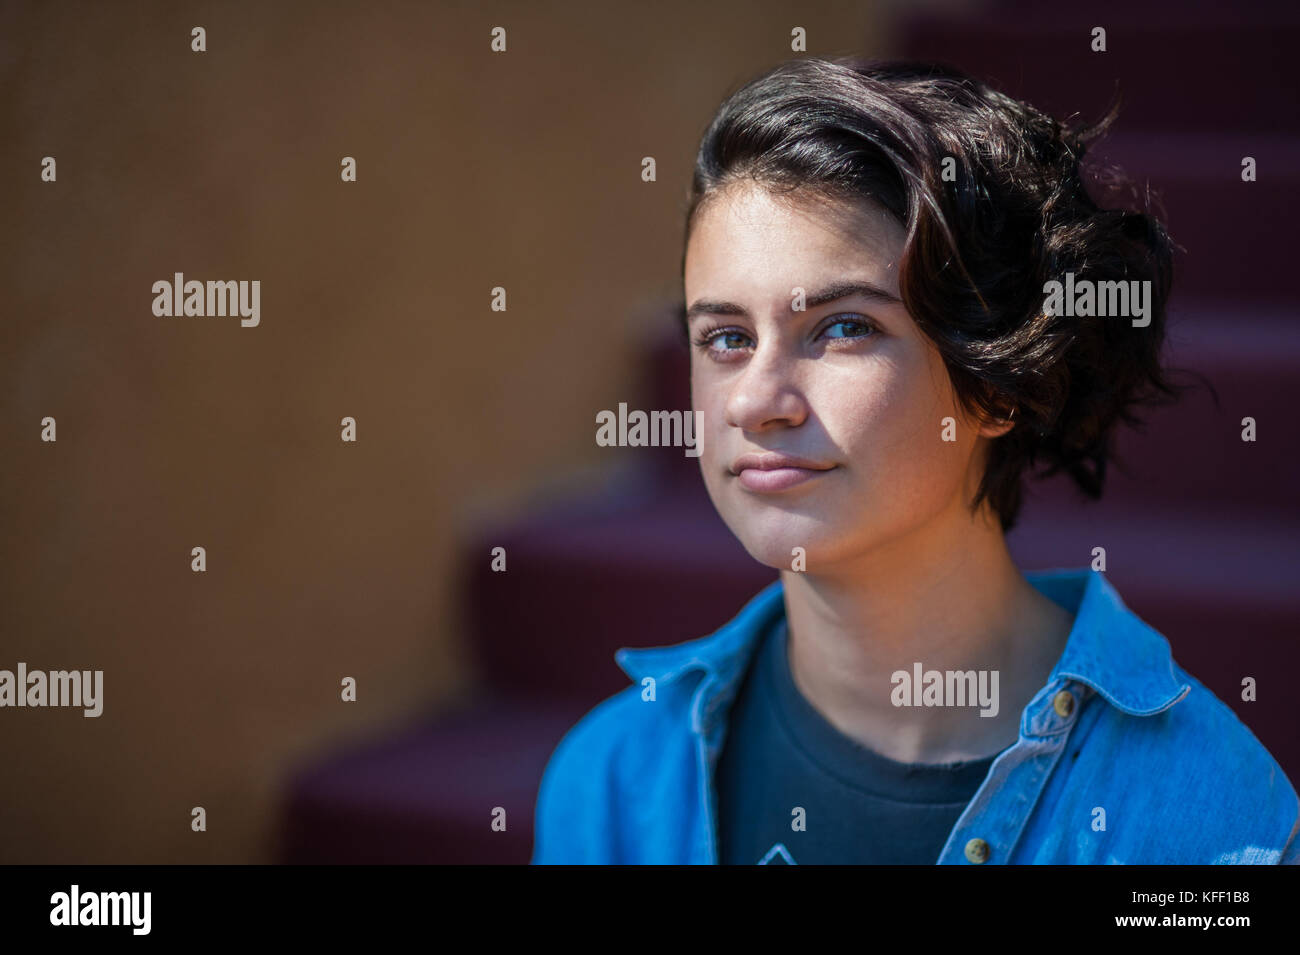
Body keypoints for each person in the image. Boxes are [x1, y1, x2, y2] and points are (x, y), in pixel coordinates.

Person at [530, 56, 1299, 864]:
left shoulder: (1210, 819)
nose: (756, 401)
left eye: (843, 328)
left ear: (1002, 380)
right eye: (726, 337)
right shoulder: (611, 781)